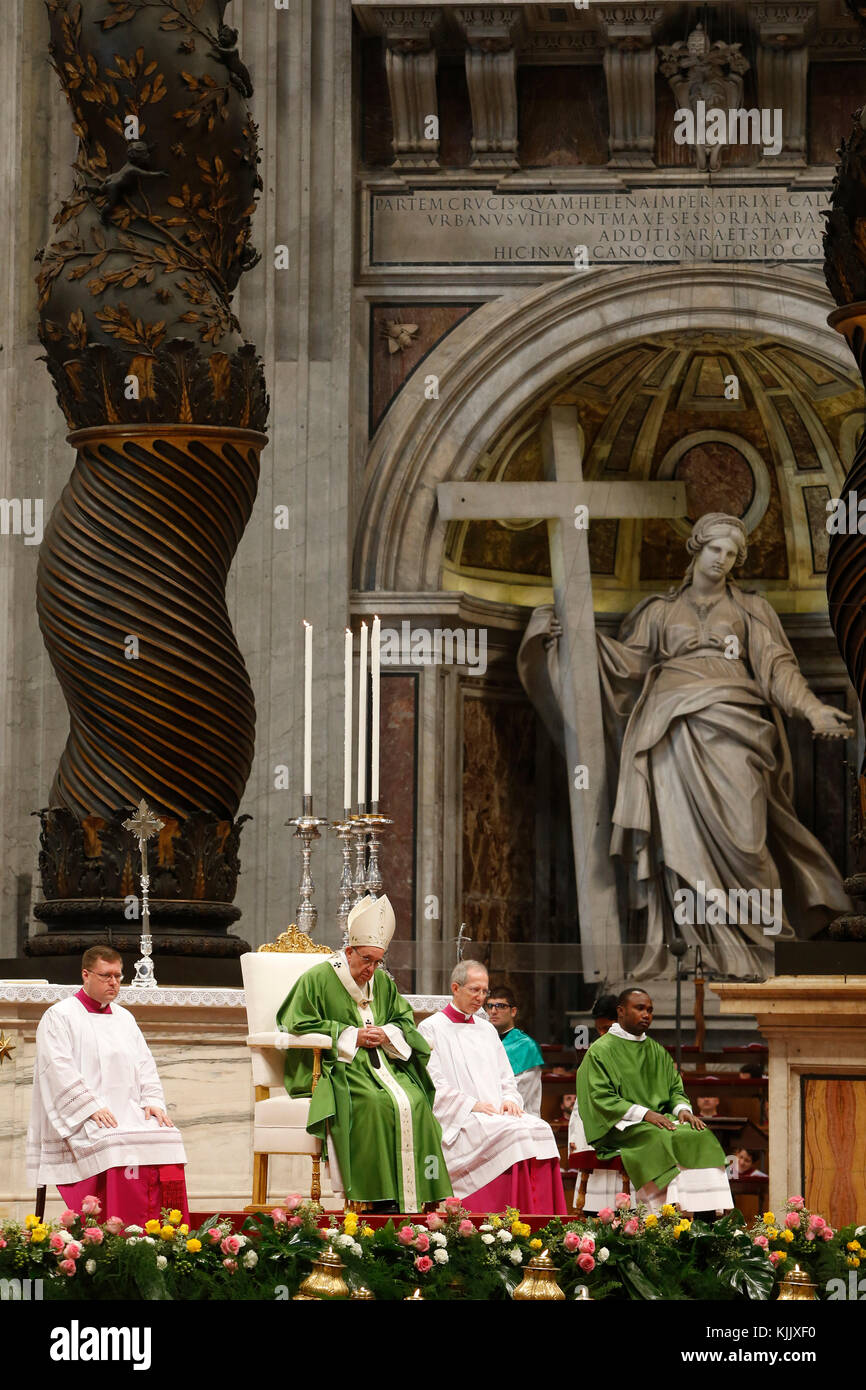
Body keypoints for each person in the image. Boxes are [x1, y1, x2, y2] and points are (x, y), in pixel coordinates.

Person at [519, 512, 852, 978]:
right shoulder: (657, 611)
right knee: (675, 843)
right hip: (668, 732)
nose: (722, 559)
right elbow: (627, 666)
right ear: (697, 548)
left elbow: (777, 669)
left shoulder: (751, 610)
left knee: (747, 840)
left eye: (732, 553)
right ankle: (690, 953)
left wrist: (813, 709)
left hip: (735, 729)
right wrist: (572, 639)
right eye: (716, 548)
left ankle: (758, 952)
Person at [277, 894, 452, 1212]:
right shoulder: (317, 979)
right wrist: (349, 1035)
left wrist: (388, 1033)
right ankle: (375, 1198)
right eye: (366, 960)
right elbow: (294, 1022)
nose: (371, 969)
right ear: (348, 951)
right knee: (373, 1103)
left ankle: (418, 1199)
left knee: (416, 1103)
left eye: (377, 962)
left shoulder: (383, 982)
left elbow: (404, 1021)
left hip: (385, 1065)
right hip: (340, 1068)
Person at [26, 945, 189, 1224]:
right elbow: (57, 1069)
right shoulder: (60, 1016)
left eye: (118, 976)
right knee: (114, 1144)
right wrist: (88, 1106)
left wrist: (153, 1101)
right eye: (105, 976)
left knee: (167, 1136)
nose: (113, 983)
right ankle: (117, 1229)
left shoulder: (125, 1018)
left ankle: (165, 1232)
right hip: (80, 1114)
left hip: (124, 1110)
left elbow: (145, 1064)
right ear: (85, 975)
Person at [418, 960, 567, 1214]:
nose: (481, 998)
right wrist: (470, 1105)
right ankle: (508, 1218)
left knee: (540, 1129)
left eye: (484, 991)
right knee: (516, 1135)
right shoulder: (431, 1028)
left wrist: (510, 1098)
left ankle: (543, 1221)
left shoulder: (487, 1029)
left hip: (494, 1114)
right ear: (456, 988)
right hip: (461, 1118)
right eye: (474, 990)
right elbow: (432, 1084)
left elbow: (505, 1077)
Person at [576, 988, 733, 1215]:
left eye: (650, 1010)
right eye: (639, 1008)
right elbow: (600, 1097)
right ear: (621, 1011)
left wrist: (682, 1110)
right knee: (660, 1136)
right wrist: (645, 1114)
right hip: (619, 1127)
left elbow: (675, 1089)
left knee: (698, 1133)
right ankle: (662, 1212)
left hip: (656, 1121)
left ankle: (703, 1212)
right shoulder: (600, 1051)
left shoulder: (656, 1051)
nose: (646, 1014)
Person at [485, 985, 545, 1115]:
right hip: (488, 1113)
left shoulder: (527, 1047)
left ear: (513, 1011)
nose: (493, 1011)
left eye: (500, 1006)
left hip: (518, 1115)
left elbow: (520, 1093)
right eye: (490, 1006)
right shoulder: (484, 1042)